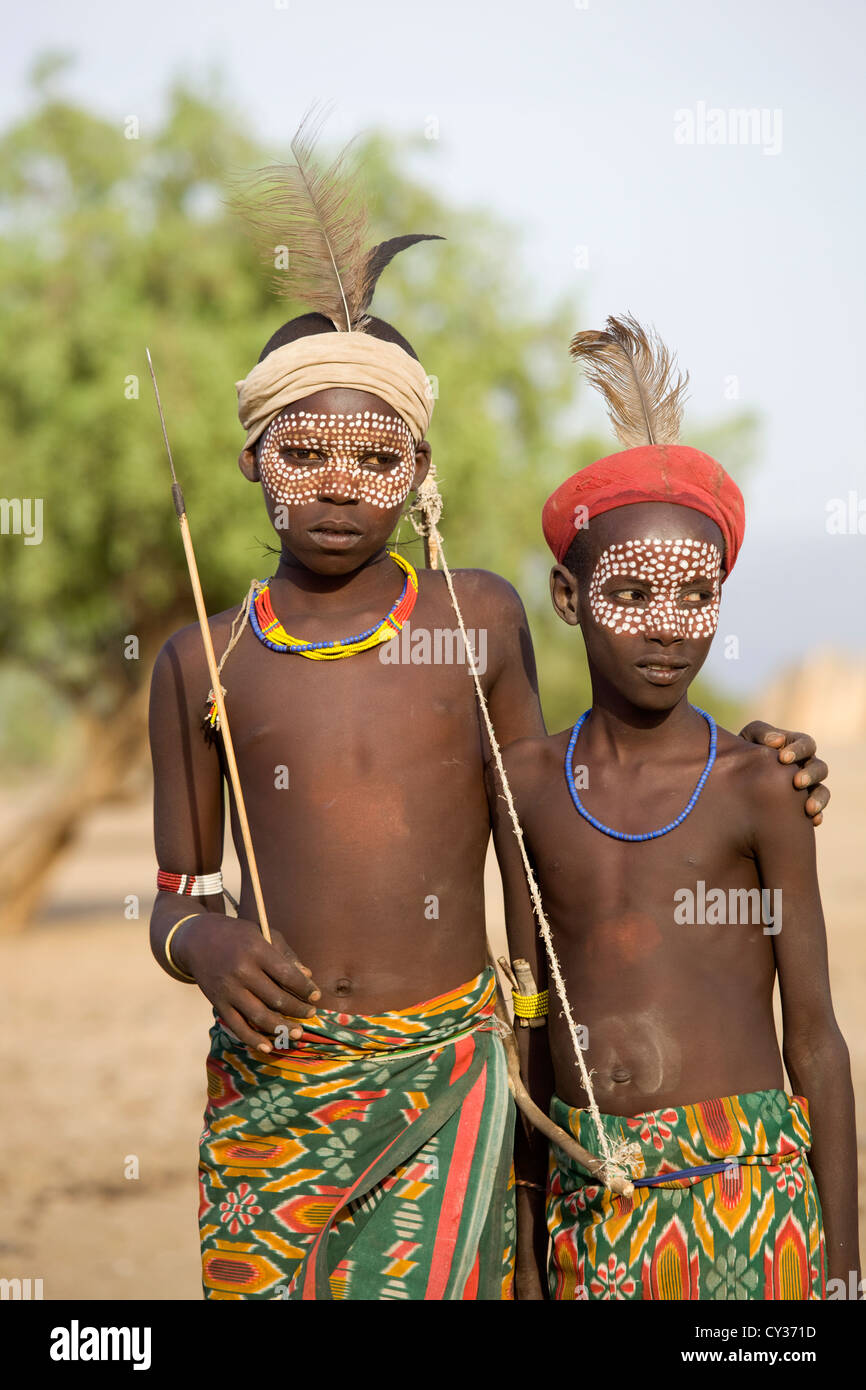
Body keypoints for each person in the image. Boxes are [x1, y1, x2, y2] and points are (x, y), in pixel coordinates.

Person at [148, 126, 832, 1300]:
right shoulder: (201, 657)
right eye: (301, 453)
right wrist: (198, 939)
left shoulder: (479, 618)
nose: (336, 487)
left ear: (419, 472)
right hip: (276, 1091)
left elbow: (550, 804)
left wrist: (760, 756)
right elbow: (173, 889)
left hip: (453, 1076)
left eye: (375, 457)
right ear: (250, 458)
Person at [494, 315, 858, 1301]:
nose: (666, 629)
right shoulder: (525, 782)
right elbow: (531, 1022)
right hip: (589, 1188)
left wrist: (840, 1265)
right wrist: (526, 1253)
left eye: (694, 596)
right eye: (631, 595)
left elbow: (814, 1033)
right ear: (567, 599)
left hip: (751, 1196)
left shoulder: (758, 788)